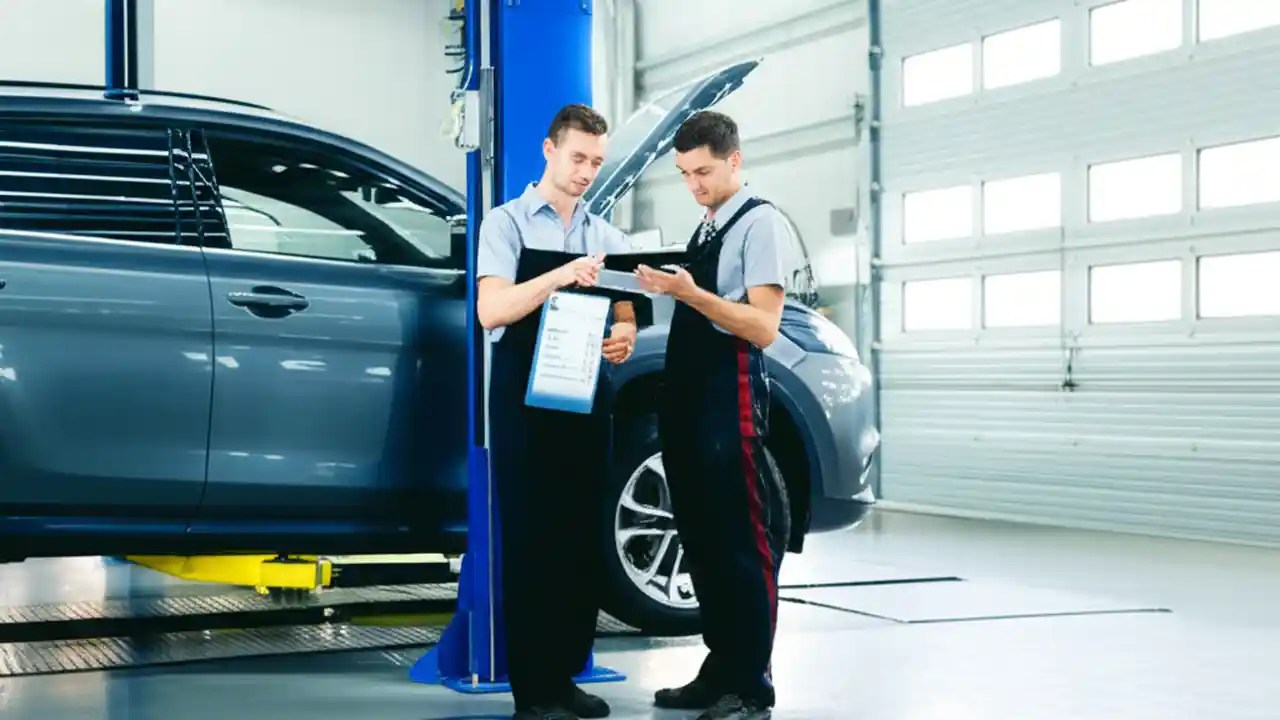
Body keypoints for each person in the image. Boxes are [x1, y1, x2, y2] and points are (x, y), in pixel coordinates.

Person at [476, 103, 637, 720]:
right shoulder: (506, 224)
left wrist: (623, 333)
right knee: (531, 539)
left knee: (578, 539)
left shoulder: (606, 234)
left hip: (585, 394)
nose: (586, 172)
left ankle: (566, 676)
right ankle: (533, 690)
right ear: (549, 151)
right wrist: (562, 275)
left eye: (596, 162)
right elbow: (493, 311)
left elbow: (626, 305)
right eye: (577, 159)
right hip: (524, 398)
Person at [634, 110, 792, 720]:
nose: (694, 184)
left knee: (740, 546)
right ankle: (720, 669)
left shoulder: (760, 224)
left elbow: (764, 326)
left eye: (703, 171)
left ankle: (752, 686)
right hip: (692, 400)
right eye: (684, 174)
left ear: (734, 160)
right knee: (700, 538)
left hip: (730, 400)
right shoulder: (706, 226)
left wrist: (689, 294)